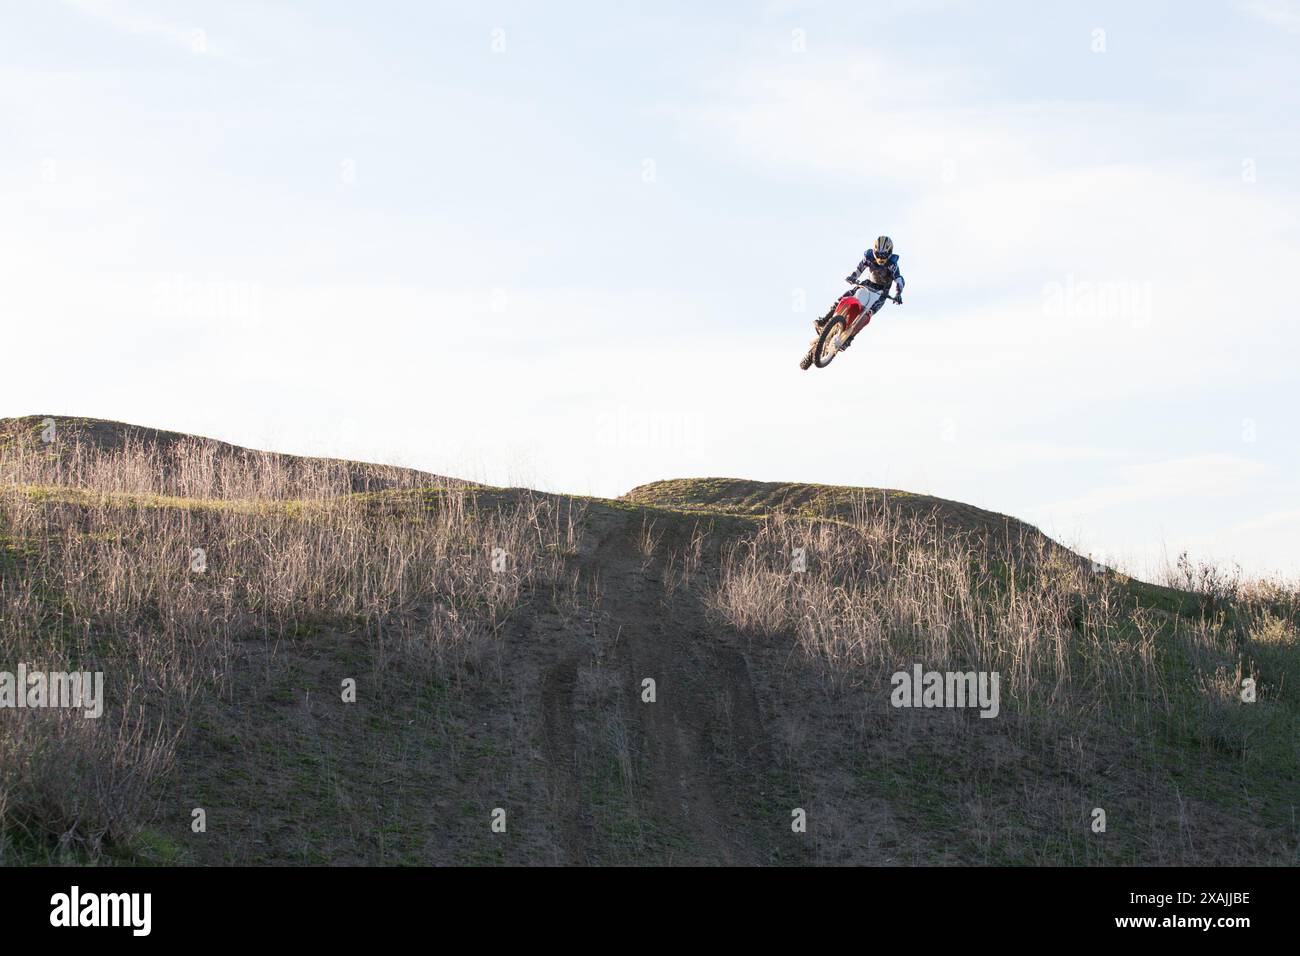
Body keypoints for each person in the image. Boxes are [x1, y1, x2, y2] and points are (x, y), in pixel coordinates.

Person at [814, 235, 905, 347]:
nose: (881, 258)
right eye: (879, 255)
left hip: (882, 292)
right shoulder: (869, 256)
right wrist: (853, 277)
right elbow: (859, 268)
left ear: (890, 252)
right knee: (846, 296)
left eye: (884, 255)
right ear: (874, 251)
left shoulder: (893, 264)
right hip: (868, 284)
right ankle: (825, 319)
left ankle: (849, 339)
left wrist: (898, 294)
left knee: (868, 314)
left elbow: (899, 280)